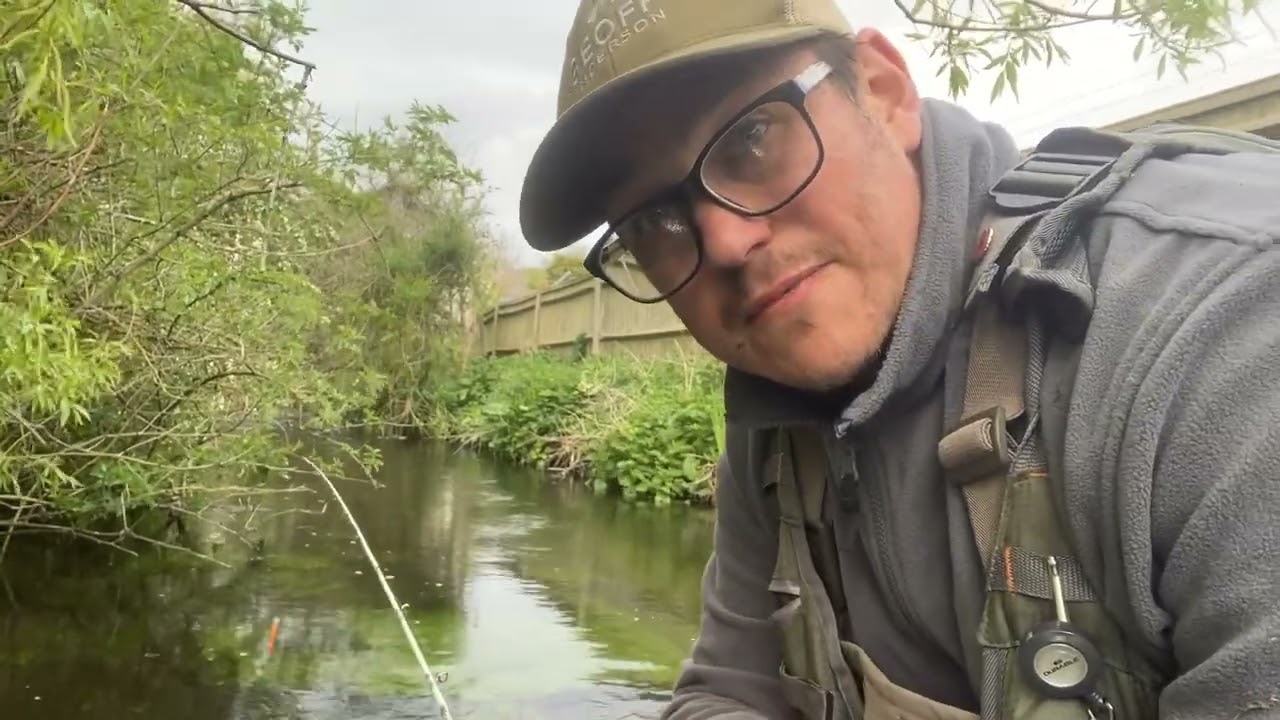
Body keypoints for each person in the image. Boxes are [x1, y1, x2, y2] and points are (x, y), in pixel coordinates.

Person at [518, 1, 1280, 718]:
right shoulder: (773, 416)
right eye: (654, 220)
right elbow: (732, 690)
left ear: (884, 91)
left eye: (751, 140)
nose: (723, 241)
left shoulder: (1221, 327)